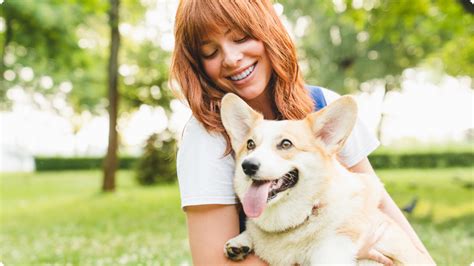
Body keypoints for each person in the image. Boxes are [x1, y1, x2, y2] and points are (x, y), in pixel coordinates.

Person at [170, 0, 434, 265]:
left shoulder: (324, 104)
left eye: (240, 38)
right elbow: (212, 263)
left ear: (268, 31)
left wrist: (424, 259)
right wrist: (343, 251)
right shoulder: (206, 138)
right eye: (209, 52)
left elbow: (379, 202)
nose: (231, 58)